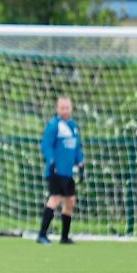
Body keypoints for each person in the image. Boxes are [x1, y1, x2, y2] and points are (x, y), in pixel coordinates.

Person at [37, 96, 84, 245]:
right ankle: (42, 235)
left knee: (70, 201)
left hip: (68, 173)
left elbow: (77, 147)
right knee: (55, 198)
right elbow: (46, 145)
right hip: (56, 171)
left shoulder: (73, 126)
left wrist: (80, 163)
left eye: (67, 107)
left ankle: (64, 237)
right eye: (62, 107)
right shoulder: (53, 125)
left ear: (71, 108)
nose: (65, 110)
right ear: (57, 109)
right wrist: (51, 161)